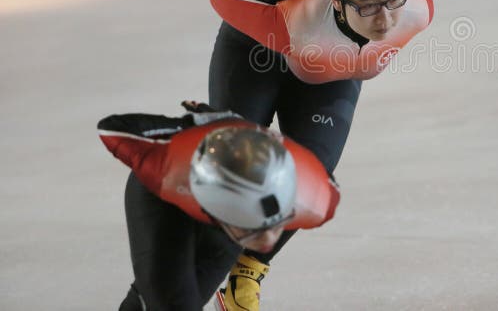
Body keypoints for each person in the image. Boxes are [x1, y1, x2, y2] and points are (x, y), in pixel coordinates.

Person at [208, 0, 434, 309]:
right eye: (366, 5)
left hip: (327, 74)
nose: (384, 20)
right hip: (257, 55)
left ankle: (245, 274)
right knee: (237, 175)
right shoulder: (289, 19)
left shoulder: (419, 6)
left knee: (311, 182)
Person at [99, 101, 340, 311]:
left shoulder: (316, 195)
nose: (267, 243)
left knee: (165, 294)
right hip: (164, 197)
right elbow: (112, 126)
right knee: (174, 303)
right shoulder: (166, 160)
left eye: (278, 222)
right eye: (252, 228)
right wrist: (194, 125)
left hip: (223, 214)